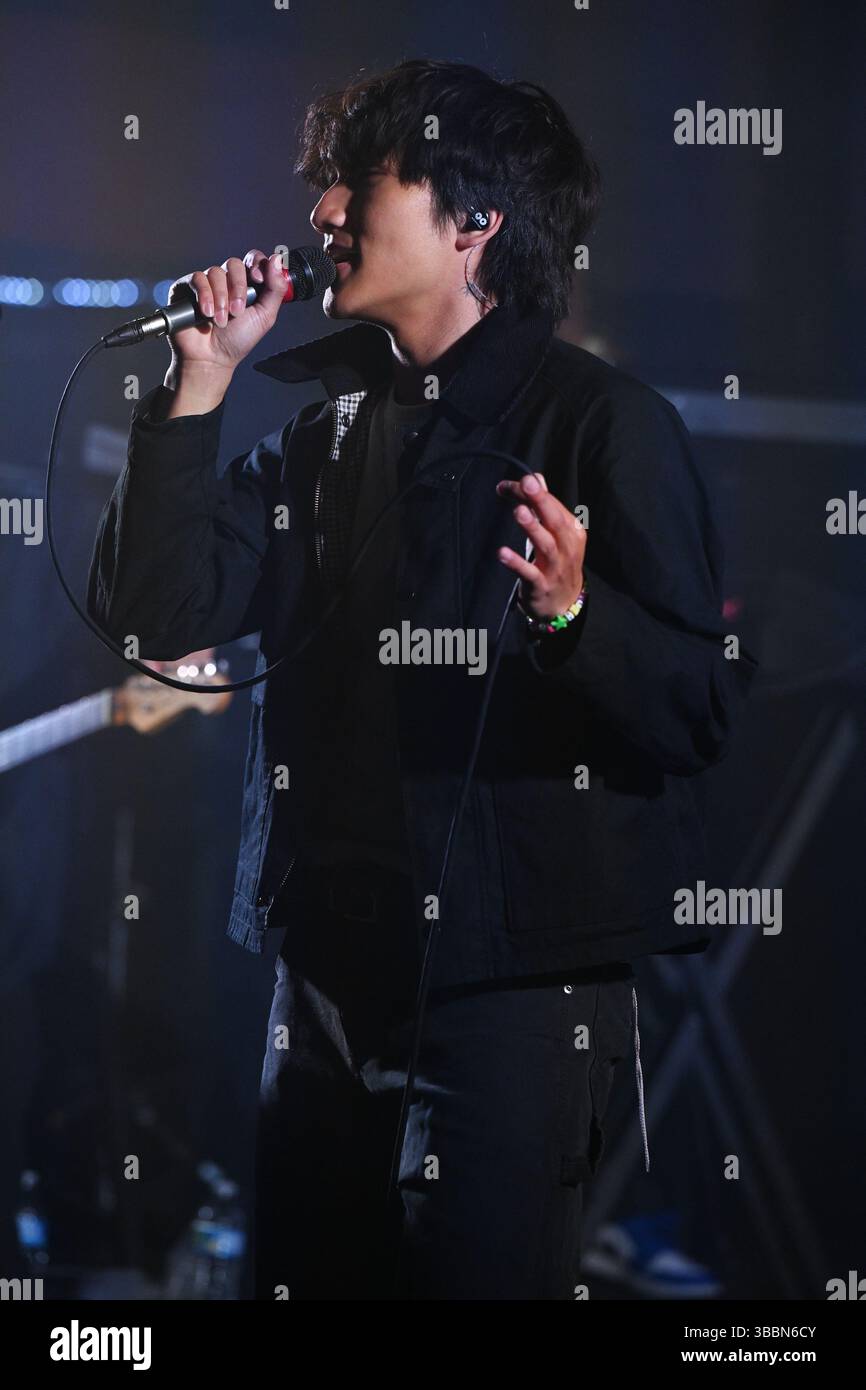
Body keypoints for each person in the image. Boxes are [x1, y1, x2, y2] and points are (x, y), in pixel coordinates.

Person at [87, 58, 757, 1300]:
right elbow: (159, 613)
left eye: (359, 182)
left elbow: (698, 703)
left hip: (506, 994)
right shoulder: (322, 428)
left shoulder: (599, 427)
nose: (323, 213)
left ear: (474, 220)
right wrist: (203, 379)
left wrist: (569, 613)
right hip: (326, 979)